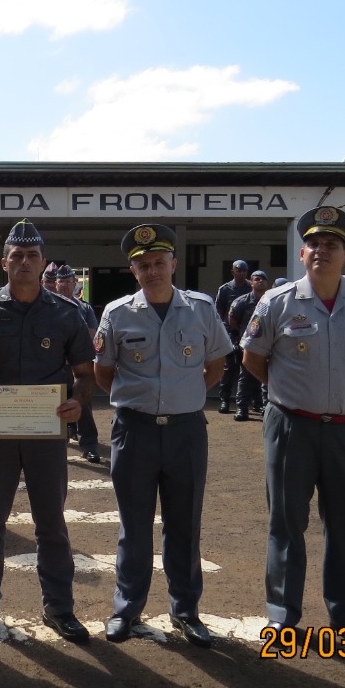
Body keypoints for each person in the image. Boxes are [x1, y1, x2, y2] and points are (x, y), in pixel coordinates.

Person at [241, 207, 345, 632]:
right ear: (302, 252)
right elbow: (253, 358)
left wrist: (343, 392)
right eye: (314, 244)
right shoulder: (277, 301)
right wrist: (295, 393)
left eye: (332, 245)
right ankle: (282, 616)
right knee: (287, 523)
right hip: (292, 426)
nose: (321, 251)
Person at [0, 219, 96, 643]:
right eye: (18, 255)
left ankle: (59, 607)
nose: (25, 262)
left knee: (50, 523)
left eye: (33, 255)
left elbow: (87, 374)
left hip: (46, 434)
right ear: (5, 262)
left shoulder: (66, 313)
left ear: (43, 262)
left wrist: (78, 401)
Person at [94, 224, 232, 647]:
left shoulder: (202, 309)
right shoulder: (117, 313)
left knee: (184, 524)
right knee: (133, 526)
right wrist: (142, 399)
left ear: (173, 263)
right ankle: (127, 610)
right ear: (132, 270)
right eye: (143, 265)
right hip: (134, 430)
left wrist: (180, 396)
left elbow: (216, 365)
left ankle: (185, 610)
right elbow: (103, 372)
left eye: (159, 263)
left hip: (186, 431)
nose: (152, 271)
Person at [56, 264, 102, 463]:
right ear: (55, 284)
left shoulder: (84, 308)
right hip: (55, 366)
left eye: (69, 282)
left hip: (78, 366)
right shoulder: (48, 306)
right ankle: (56, 448)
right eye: (61, 282)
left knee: (83, 404)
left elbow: (91, 335)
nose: (65, 285)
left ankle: (89, 445)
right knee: (54, 407)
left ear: (75, 284)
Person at [227, 270, 270, 420]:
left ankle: (266, 407)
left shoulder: (272, 300)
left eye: (263, 279)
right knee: (245, 377)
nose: (260, 282)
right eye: (257, 279)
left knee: (267, 379)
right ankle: (242, 408)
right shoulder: (242, 301)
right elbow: (232, 322)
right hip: (249, 345)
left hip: (268, 345)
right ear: (251, 282)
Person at [214, 260, 251, 414]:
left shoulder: (251, 287)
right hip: (230, 333)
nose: (241, 273)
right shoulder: (225, 289)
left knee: (248, 368)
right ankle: (224, 400)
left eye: (244, 271)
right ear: (233, 272)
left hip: (247, 333)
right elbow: (218, 313)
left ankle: (249, 402)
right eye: (238, 270)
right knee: (228, 368)